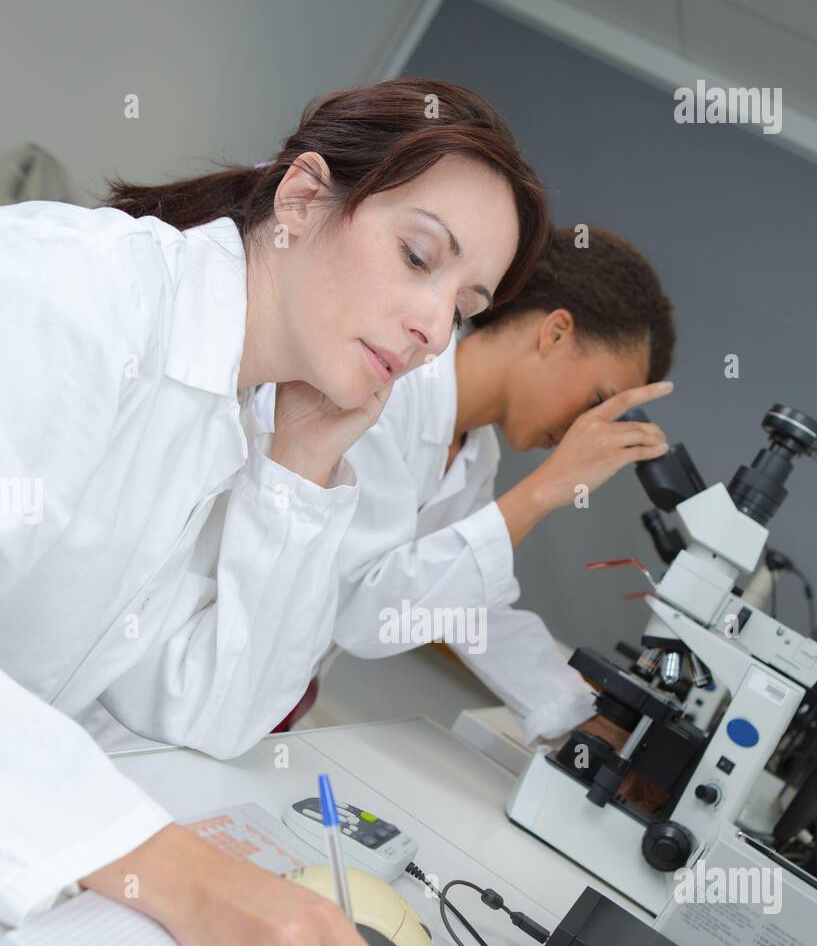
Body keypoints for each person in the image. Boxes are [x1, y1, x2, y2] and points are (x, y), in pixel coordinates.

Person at [0, 77, 550, 946]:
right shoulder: (77, 295)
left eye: (464, 305)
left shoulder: (249, 409)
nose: (434, 330)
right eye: (418, 256)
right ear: (301, 201)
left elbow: (209, 716)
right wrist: (180, 875)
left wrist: (300, 464)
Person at [255, 225, 675, 745]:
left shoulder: (476, 453)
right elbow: (360, 614)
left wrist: (580, 717)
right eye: (598, 402)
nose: (584, 432)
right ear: (556, 333)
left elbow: (469, 607)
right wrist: (542, 491)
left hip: (270, 705)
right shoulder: (390, 384)